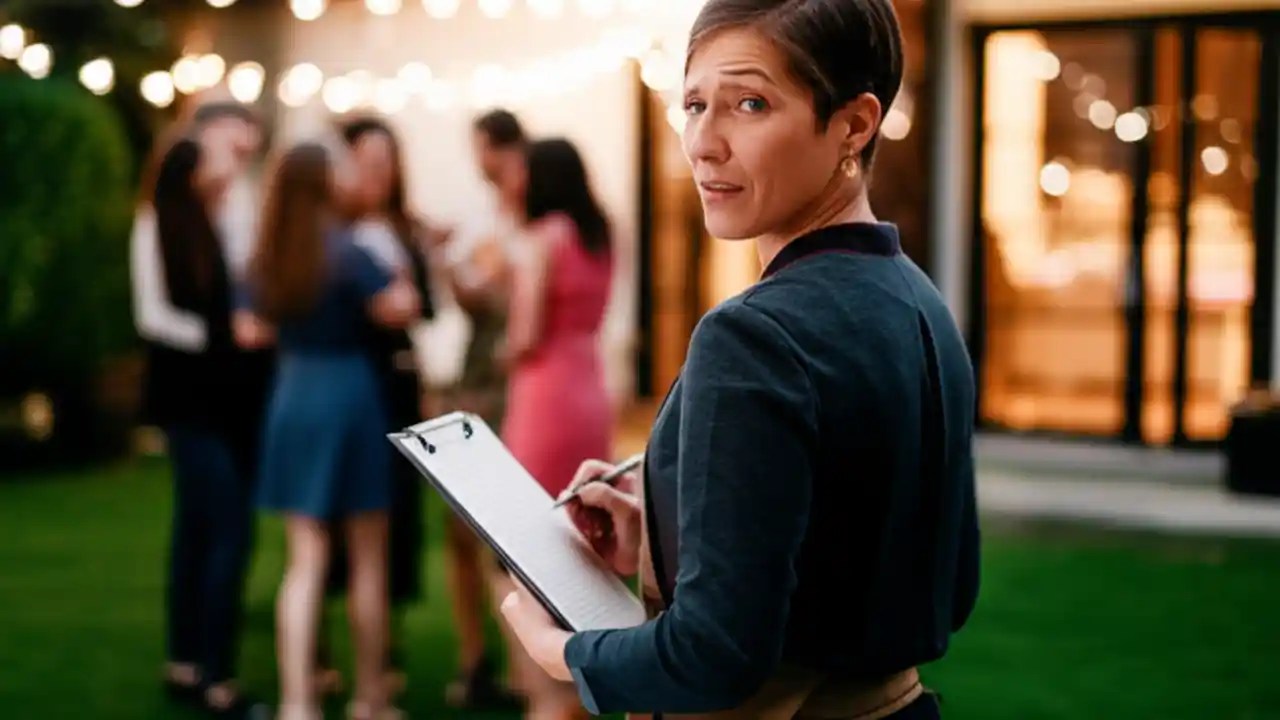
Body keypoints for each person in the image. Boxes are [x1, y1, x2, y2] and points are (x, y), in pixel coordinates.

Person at [498, 0, 980, 718]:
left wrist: (561, 651)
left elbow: (713, 656)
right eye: (694, 105)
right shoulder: (919, 303)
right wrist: (672, 537)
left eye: (750, 104)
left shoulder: (753, 335)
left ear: (853, 124)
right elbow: (941, 582)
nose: (702, 144)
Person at [245, 141, 420, 720]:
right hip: (349, 392)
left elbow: (250, 327)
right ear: (324, 182)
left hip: (293, 390)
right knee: (368, 557)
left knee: (305, 559)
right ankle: (370, 698)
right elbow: (400, 308)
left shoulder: (270, 254)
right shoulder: (351, 249)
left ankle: (298, 701)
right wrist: (400, 275)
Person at [131, 111, 269, 719]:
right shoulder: (155, 224)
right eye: (220, 157)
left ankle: (186, 659)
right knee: (225, 527)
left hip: (229, 398)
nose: (229, 168)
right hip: (188, 397)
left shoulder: (223, 217)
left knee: (198, 525)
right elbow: (155, 316)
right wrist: (223, 336)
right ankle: (216, 673)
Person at [313, 116, 437, 699]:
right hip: (353, 387)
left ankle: (385, 650)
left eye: (386, 164)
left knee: (395, 524)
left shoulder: (403, 229)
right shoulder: (332, 236)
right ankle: (322, 654)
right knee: (332, 527)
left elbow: (424, 307)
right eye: (366, 163)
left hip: (398, 388)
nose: (377, 175)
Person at [500, 137, 614, 720]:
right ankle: (577, 684)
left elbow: (524, 334)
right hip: (589, 385)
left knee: (520, 543)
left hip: (543, 394)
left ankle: (542, 694)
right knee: (576, 539)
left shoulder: (543, 238)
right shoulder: (603, 233)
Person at [430, 108, 528, 710]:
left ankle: (518, 666)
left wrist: (446, 265)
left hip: (505, 388)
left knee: (504, 531)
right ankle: (478, 659)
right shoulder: (492, 219)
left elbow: (488, 298)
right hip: (482, 381)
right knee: (464, 531)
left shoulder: (529, 223)